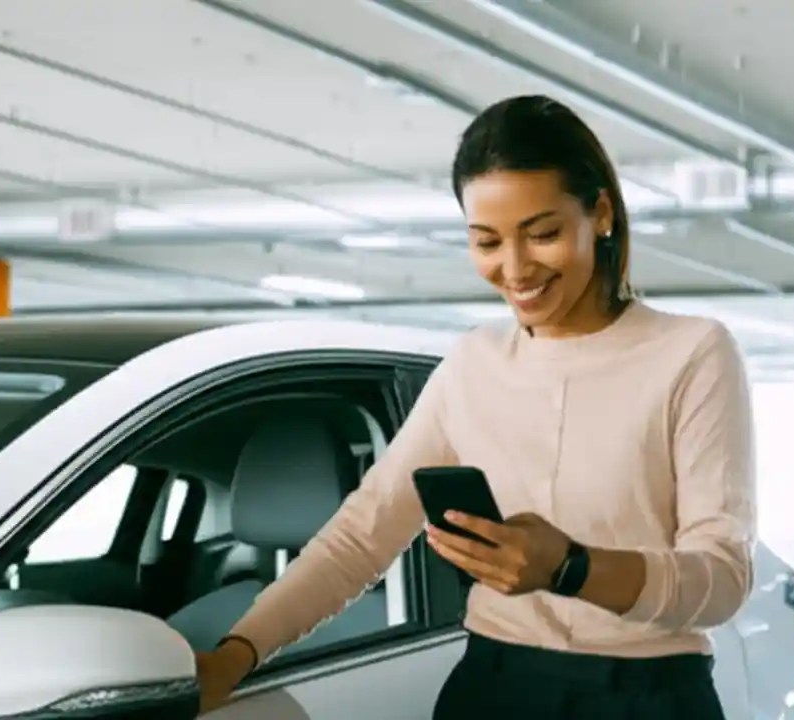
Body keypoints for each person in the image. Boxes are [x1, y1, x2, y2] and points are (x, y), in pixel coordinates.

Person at [195, 94, 757, 718]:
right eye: (487, 241)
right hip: (495, 688)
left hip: (649, 697)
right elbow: (361, 535)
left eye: (542, 234)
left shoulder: (691, 353)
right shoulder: (473, 364)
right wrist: (237, 653)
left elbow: (723, 578)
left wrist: (571, 568)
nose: (515, 269)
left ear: (600, 214)